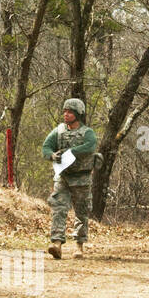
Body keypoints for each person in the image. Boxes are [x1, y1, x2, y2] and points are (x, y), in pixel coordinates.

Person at [42, 98, 97, 259]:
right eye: (65, 111)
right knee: (58, 208)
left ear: (78, 114)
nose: (66, 114)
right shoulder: (58, 131)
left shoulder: (87, 132)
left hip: (81, 178)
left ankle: (79, 246)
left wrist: (71, 152)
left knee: (81, 212)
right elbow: (46, 146)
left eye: (70, 112)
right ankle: (57, 244)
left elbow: (90, 146)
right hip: (63, 176)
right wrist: (52, 155)